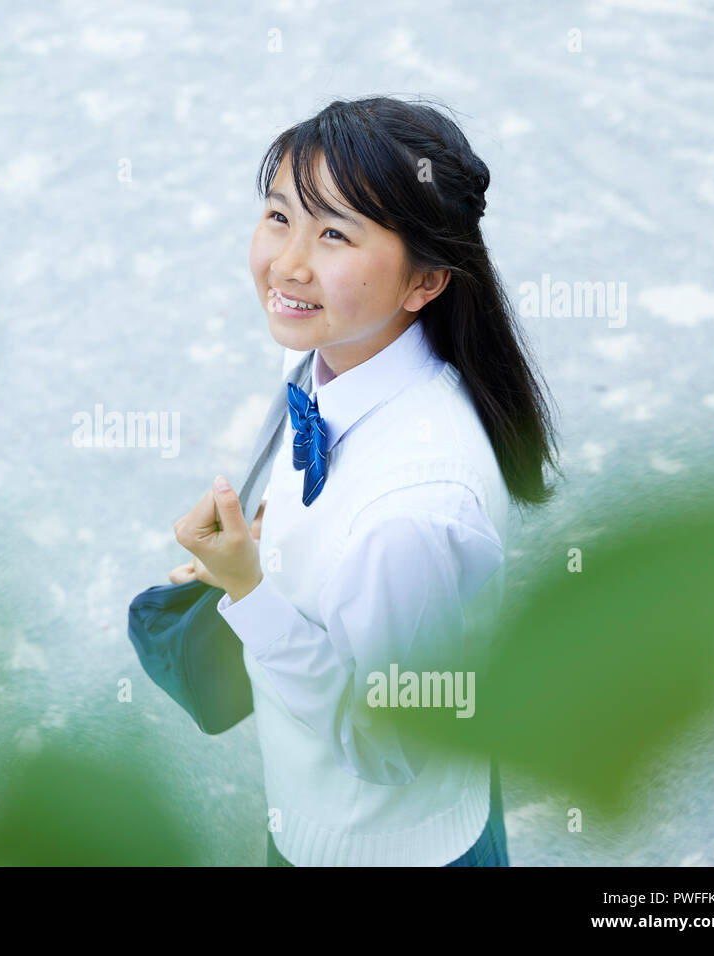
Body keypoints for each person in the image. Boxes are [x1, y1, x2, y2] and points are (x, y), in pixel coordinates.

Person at [171, 96, 561, 866]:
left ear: (424, 282)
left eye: (335, 234)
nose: (287, 263)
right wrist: (262, 549)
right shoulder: (332, 353)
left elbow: (391, 742)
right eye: (279, 216)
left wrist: (250, 593)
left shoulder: (411, 513)